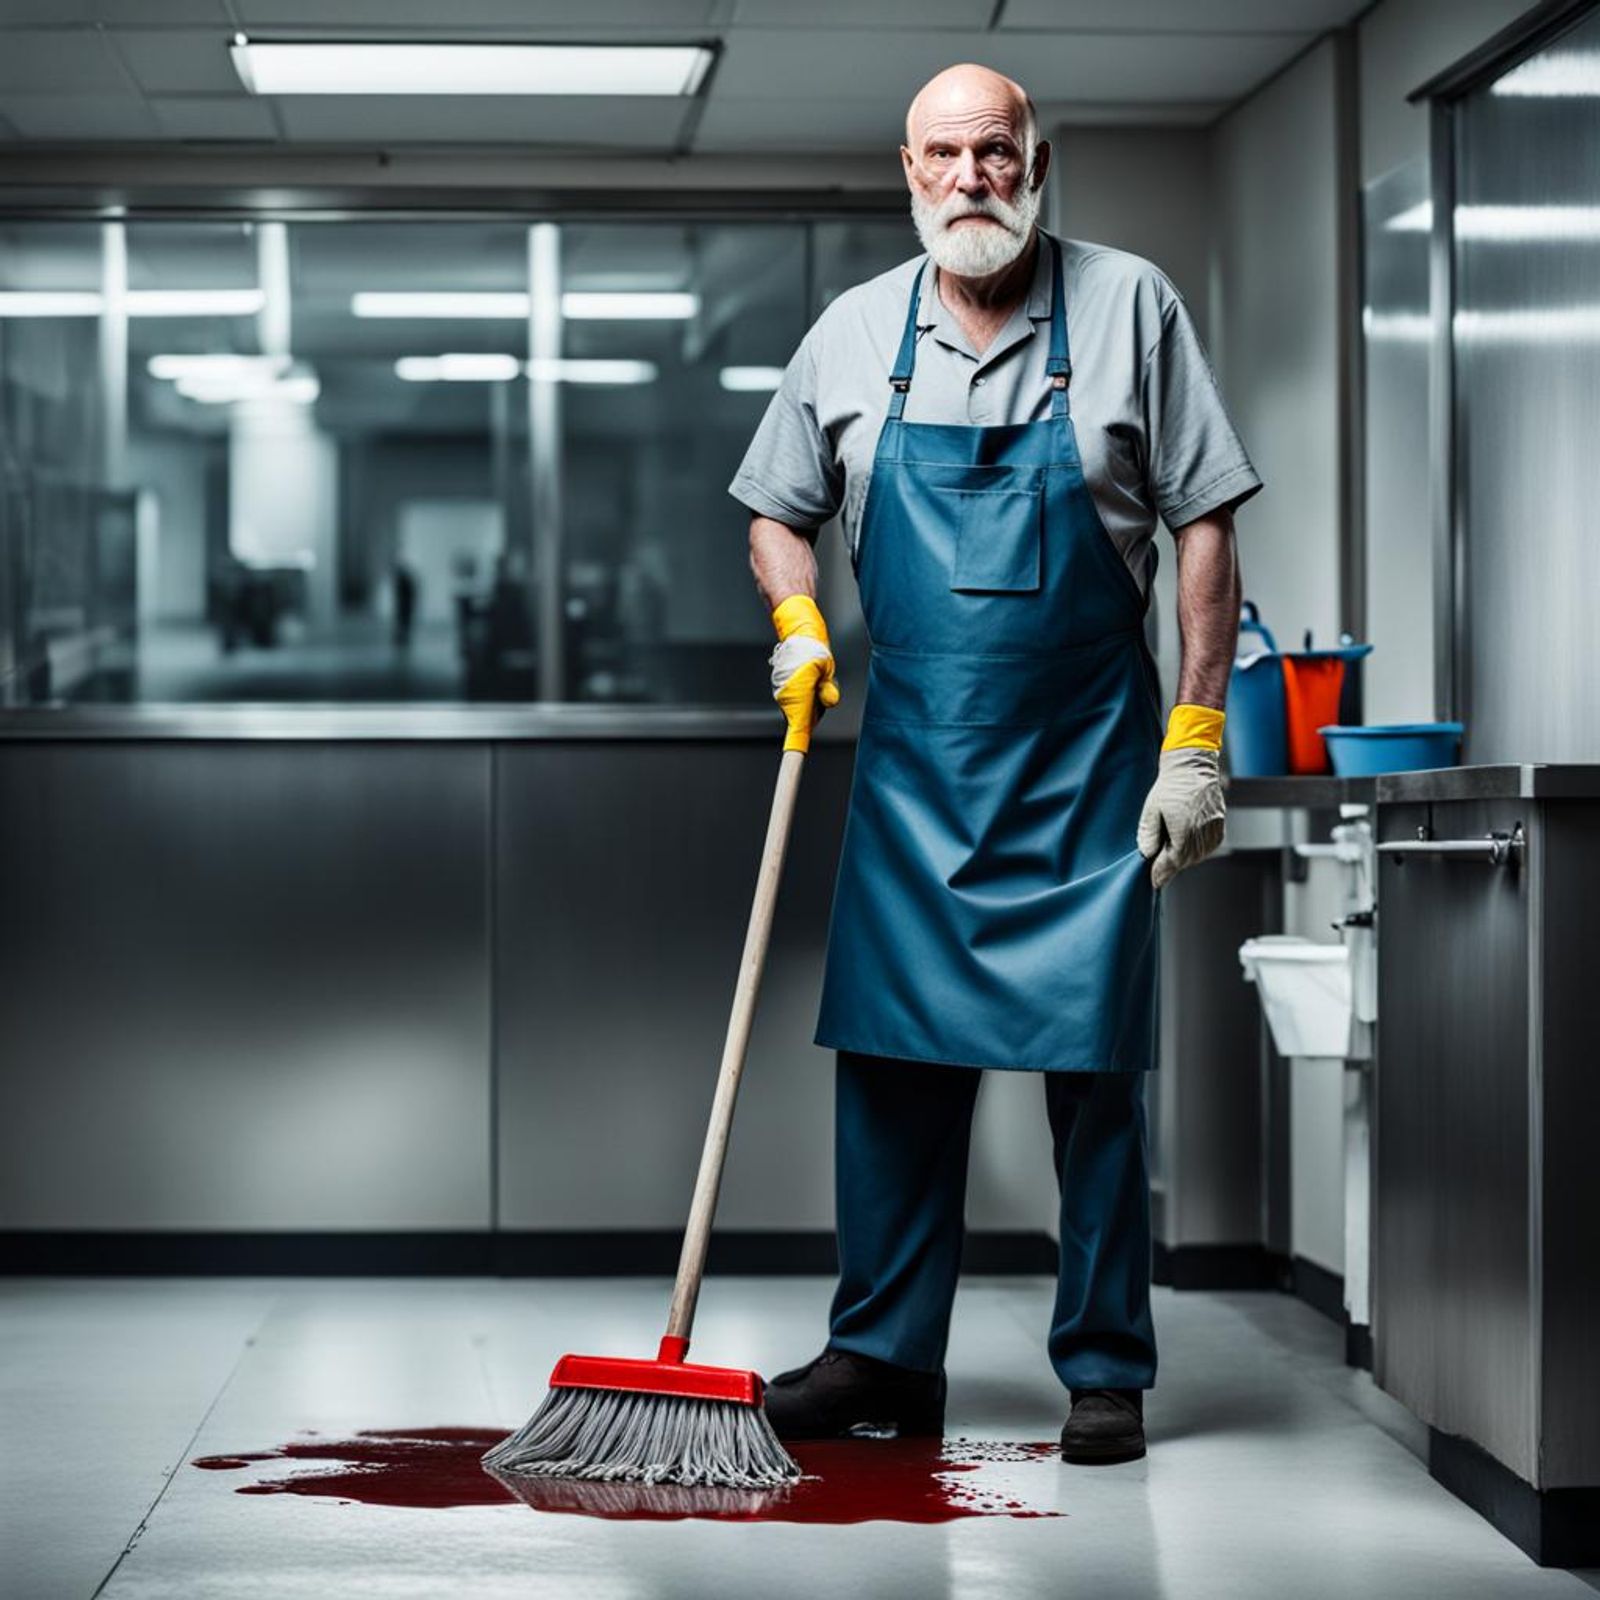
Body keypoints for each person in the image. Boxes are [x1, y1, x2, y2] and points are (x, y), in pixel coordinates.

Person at [729, 63, 1258, 1466]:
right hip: (916, 772)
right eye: (946, 154)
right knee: (892, 1073)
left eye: (998, 152)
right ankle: (879, 1357)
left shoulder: (1129, 304)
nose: (973, 177)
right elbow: (778, 512)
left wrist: (1196, 737)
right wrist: (795, 621)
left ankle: (1103, 1369)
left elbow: (1204, 522)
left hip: (1088, 762)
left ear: (1036, 163)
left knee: (1094, 1083)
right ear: (909, 171)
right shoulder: (850, 336)